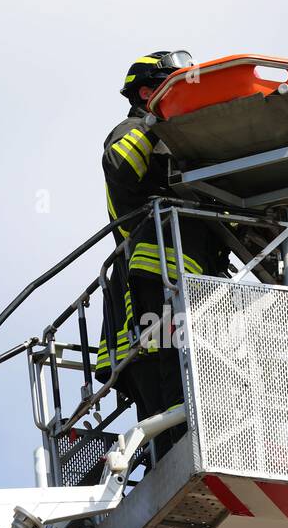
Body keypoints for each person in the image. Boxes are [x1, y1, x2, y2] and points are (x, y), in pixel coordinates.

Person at [94, 50, 223, 459]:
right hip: (151, 279)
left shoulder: (191, 152)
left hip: (189, 285)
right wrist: (156, 119)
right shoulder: (132, 131)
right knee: (167, 376)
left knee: (191, 378)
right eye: (173, 86)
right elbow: (119, 163)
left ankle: (180, 454)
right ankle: (175, 457)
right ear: (149, 92)